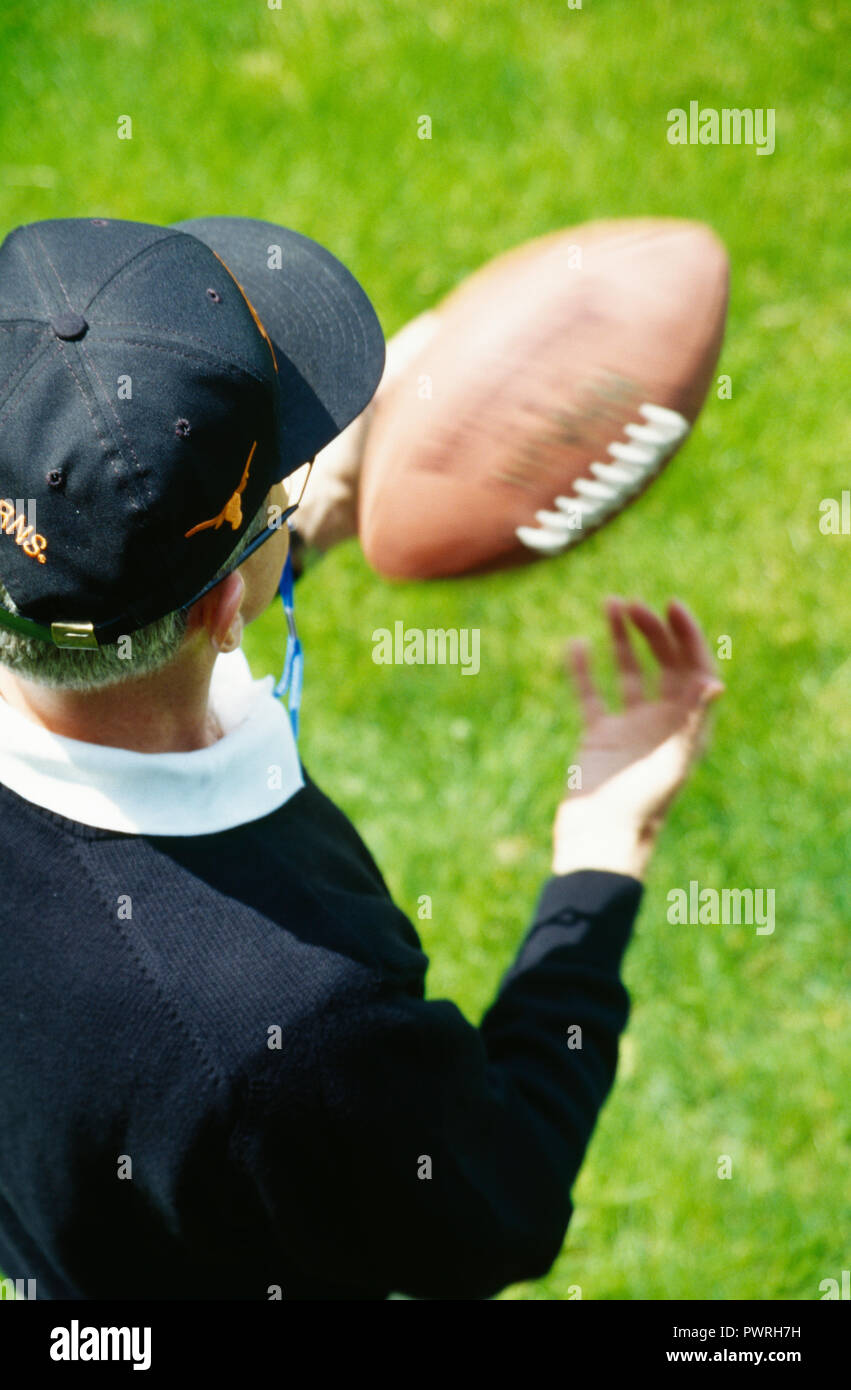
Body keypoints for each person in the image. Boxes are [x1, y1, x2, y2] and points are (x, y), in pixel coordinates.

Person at [0, 215, 722, 1301]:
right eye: (287, 474)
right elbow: (499, 1204)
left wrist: (280, 538)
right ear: (224, 612)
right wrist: (601, 854)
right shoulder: (294, 1019)